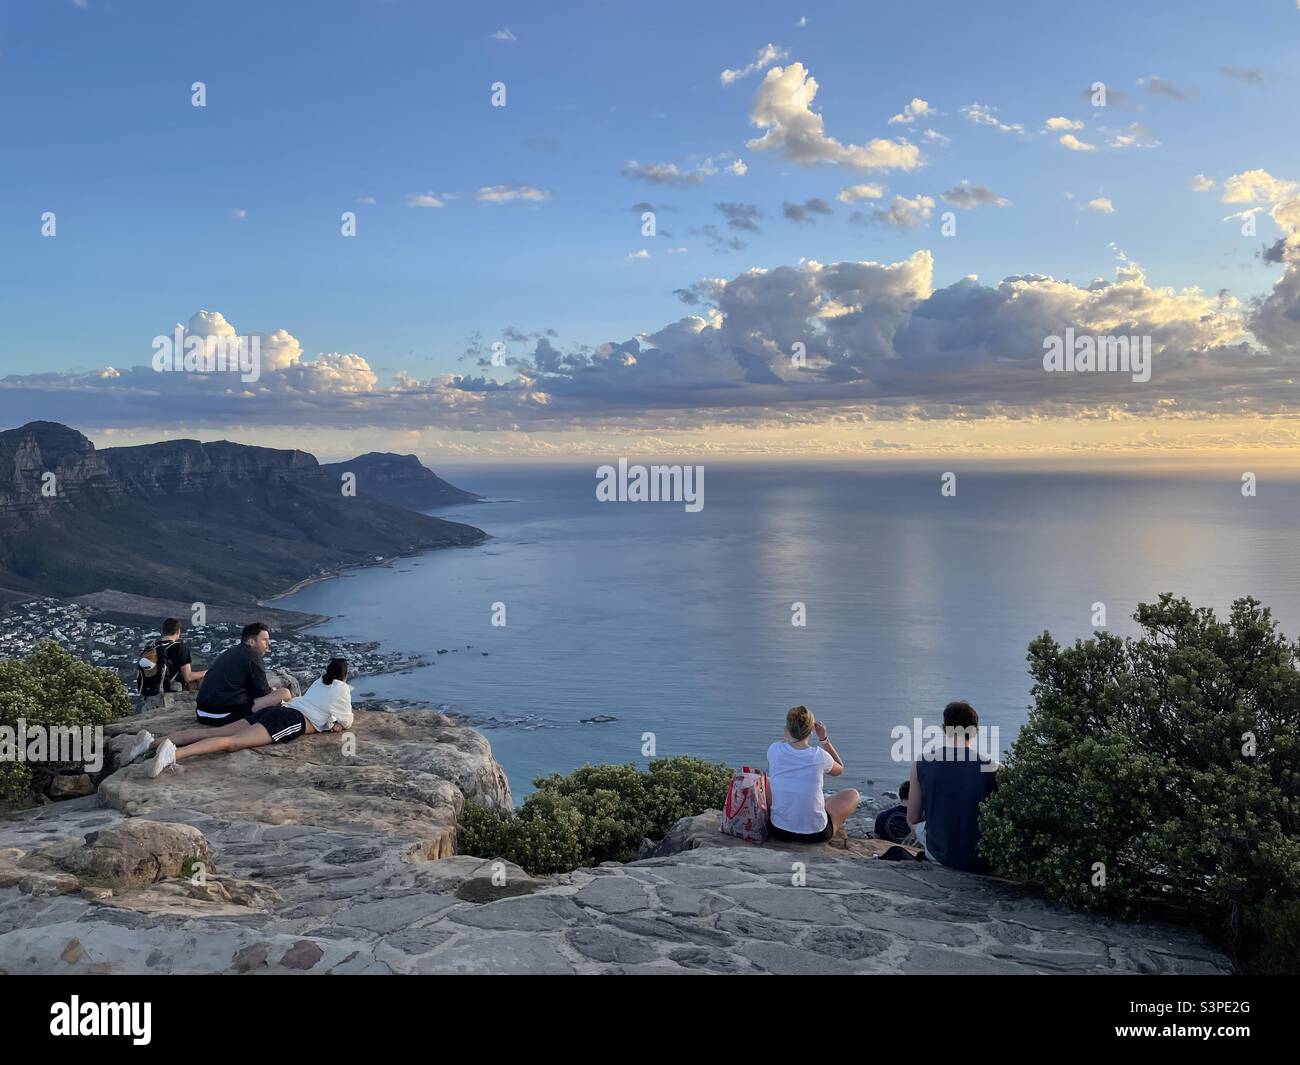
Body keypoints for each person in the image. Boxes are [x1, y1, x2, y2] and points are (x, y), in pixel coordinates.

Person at [129, 658, 354, 776]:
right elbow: (346, 720)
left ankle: (150, 743)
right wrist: (336, 726)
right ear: (344, 675)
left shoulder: (319, 682)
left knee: (214, 732)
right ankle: (173, 754)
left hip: (278, 710)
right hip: (288, 721)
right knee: (232, 743)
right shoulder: (342, 689)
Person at [906, 700, 999, 872]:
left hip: (939, 855)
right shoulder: (995, 767)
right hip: (981, 860)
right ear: (975, 731)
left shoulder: (921, 763)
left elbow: (912, 818)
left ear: (944, 729)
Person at [766, 705, 860, 844]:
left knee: (767, 780)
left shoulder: (775, 749)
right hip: (815, 835)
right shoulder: (820, 756)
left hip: (778, 831)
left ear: (787, 729)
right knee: (853, 794)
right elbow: (840, 769)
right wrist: (824, 739)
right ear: (810, 731)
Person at [192, 622, 290, 727]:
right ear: (251, 641)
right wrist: (273, 691)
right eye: (264, 640)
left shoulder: (229, 652)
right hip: (223, 716)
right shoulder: (253, 656)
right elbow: (262, 693)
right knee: (284, 693)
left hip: (202, 714)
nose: (268, 644)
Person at [136, 618, 205, 696]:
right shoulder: (180, 648)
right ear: (178, 631)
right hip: (171, 688)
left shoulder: (152, 648)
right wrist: (207, 672)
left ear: (163, 632)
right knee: (206, 678)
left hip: (151, 690)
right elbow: (188, 677)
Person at [873, 779, 912, 844]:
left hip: (887, 851)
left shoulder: (882, 816)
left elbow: (876, 840)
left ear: (900, 795)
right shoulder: (922, 820)